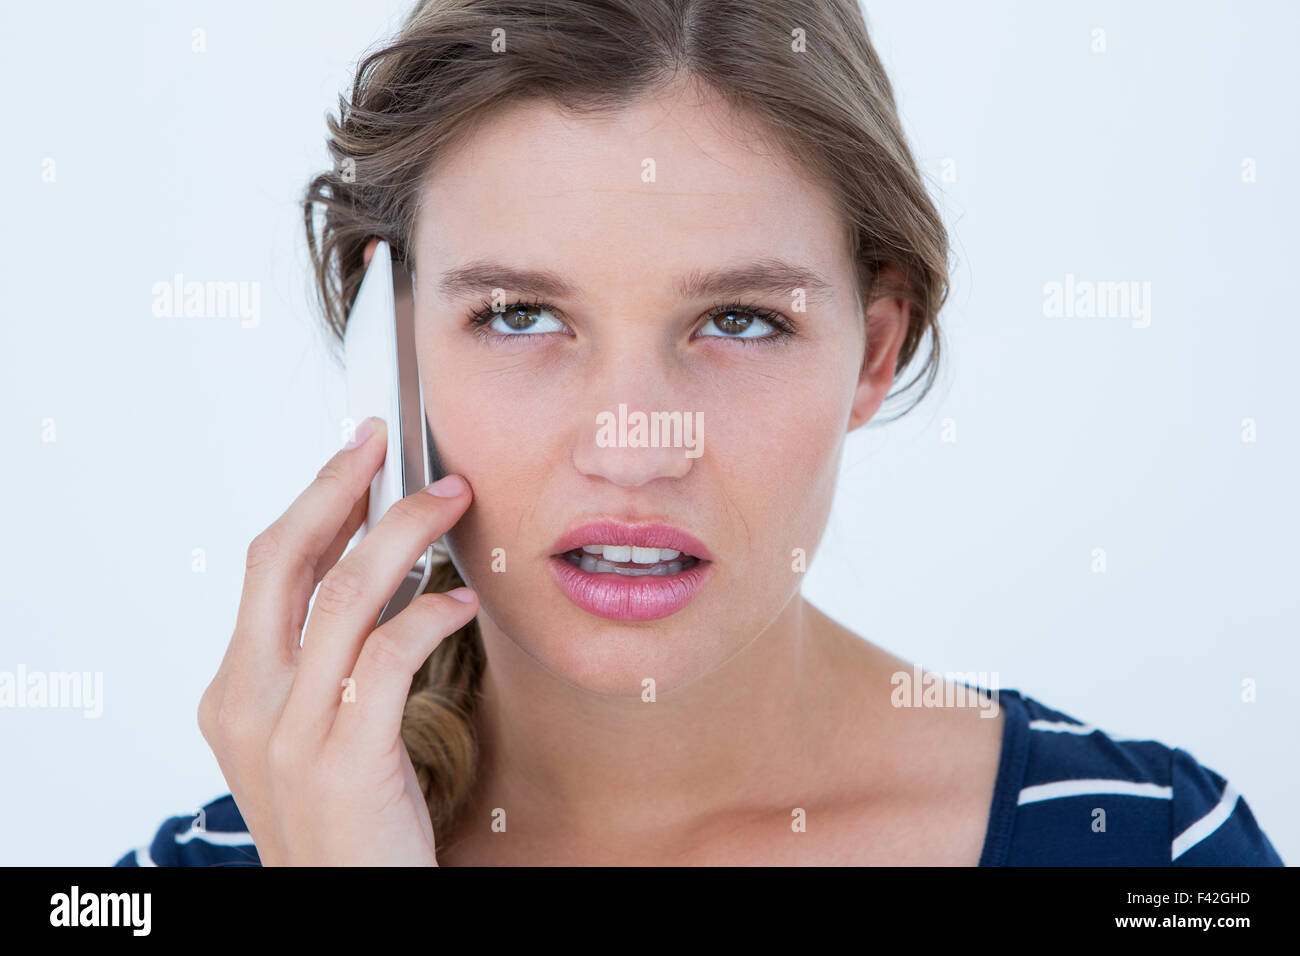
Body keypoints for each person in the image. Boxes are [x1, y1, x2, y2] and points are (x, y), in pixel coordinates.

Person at [116, 0, 1282, 866]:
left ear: (873, 352)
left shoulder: (1155, 854)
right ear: (396, 350)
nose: (632, 443)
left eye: (738, 319)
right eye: (519, 314)